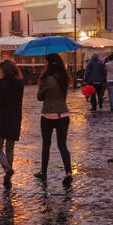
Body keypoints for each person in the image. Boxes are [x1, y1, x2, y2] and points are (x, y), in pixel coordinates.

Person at [35, 53, 73, 186]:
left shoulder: (47, 79)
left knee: (46, 145)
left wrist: (41, 87)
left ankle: (43, 172)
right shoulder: (64, 78)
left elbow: (39, 97)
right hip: (63, 114)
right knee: (62, 145)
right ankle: (68, 172)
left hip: (48, 115)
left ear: (49, 63)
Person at [0, 58, 24, 188]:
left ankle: (7, 169)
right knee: (10, 148)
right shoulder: (20, 84)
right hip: (15, 118)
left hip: (1, 118)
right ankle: (7, 176)